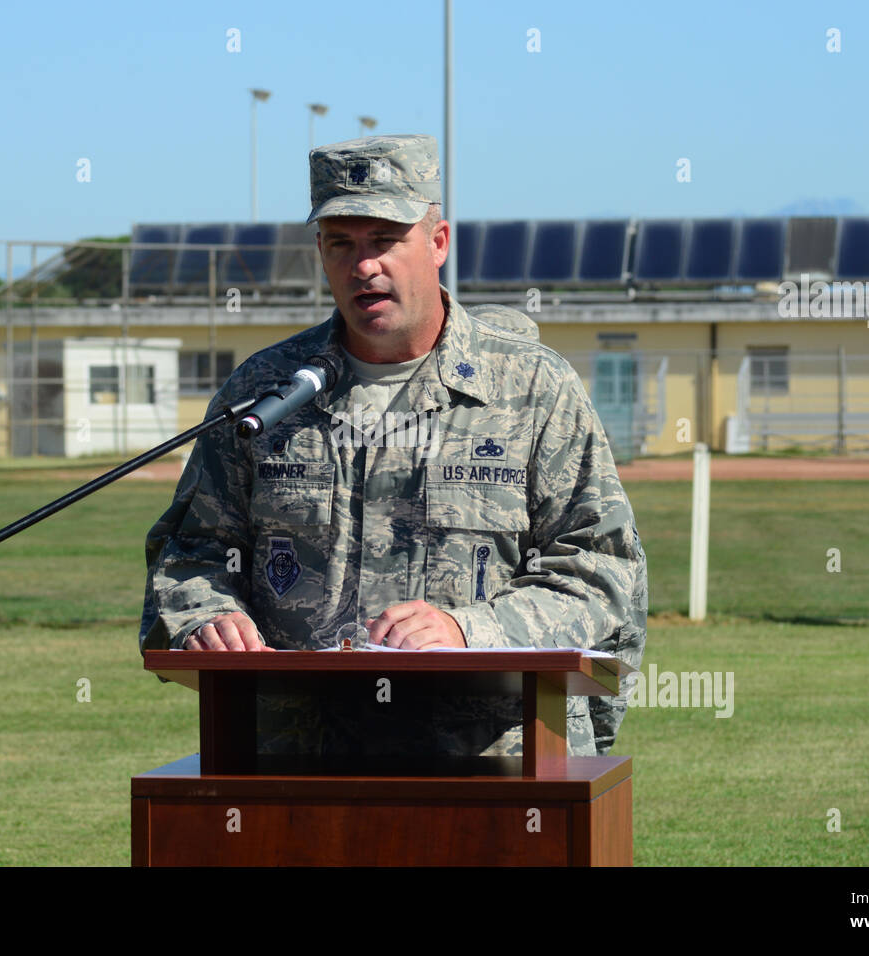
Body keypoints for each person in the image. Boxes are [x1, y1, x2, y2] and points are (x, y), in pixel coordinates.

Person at [139, 134, 646, 757]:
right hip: (296, 762)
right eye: (341, 244)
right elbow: (191, 550)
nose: (363, 266)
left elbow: (602, 573)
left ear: (437, 244)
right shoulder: (263, 392)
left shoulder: (532, 387)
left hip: (496, 765)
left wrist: (469, 630)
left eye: (384, 240)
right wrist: (205, 616)